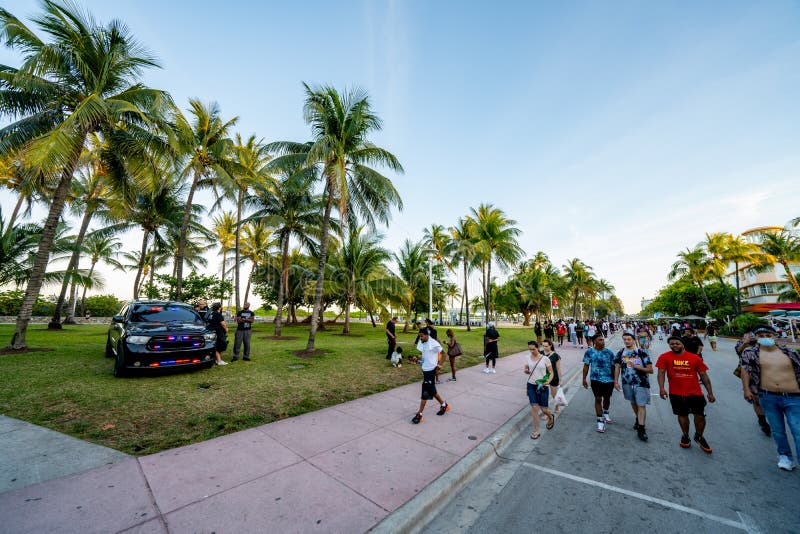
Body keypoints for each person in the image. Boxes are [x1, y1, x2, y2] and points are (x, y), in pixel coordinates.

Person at [740, 326, 800, 471]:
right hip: (768, 396)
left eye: (768, 334)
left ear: (774, 336)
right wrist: (747, 389)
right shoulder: (751, 352)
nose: (765, 337)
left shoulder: (789, 352)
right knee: (777, 430)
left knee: (797, 430)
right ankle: (785, 457)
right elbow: (745, 370)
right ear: (757, 337)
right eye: (761, 335)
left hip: (793, 397)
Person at [656, 336, 715, 452]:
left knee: (700, 416)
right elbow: (661, 373)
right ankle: (685, 436)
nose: (674, 346)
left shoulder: (695, 358)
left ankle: (699, 436)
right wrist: (661, 388)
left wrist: (710, 393)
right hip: (676, 393)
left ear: (682, 344)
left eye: (677, 343)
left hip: (695, 393)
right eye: (672, 344)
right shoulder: (664, 357)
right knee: (682, 415)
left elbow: (704, 375)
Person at [615, 333, 654, 441]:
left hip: (641, 383)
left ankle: (642, 429)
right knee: (633, 402)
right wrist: (616, 381)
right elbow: (617, 367)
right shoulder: (621, 352)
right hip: (627, 383)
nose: (627, 341)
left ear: (633, 340)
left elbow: (650, 370)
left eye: (629, 339)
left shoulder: (641, 352)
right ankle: (638, 418)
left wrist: (636, 366)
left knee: (641, 404)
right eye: (625, 339)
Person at [736, 332, 771, 436]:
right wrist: (745, 343)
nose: (749, 337)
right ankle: (762, 420)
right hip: (750, 375)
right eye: (746, 336)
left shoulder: (761, 343)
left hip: (768, 375)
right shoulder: (741, 343)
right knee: (756, 400)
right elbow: (739, 352)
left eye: (751, 335)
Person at [411, 329, 450, 424]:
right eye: (419, 336)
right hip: (425, 370)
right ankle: (444, 405)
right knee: (432, 390)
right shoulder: (423, 342)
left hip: (431, 371)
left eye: (422, 336)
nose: (420, 338)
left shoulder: (434, 343)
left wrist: (439, 366)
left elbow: (444, 354)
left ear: (427, 335)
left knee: (425, 392)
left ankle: (419, 414)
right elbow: (425, 356)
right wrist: (418, 360)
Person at [582, 335, 618, 433]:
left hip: (609, 379)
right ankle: (600, 422)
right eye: (600, 340)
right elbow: (586, 366)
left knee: (607, 398)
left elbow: (613, 367)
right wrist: (584, 379)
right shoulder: (589, 352)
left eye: (603, 339)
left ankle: (605, 412)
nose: (603, 341)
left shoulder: (609, 353)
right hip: (595, 379)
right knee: (598, 398)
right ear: (594, 341)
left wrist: (615, 380)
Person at [525, 341, 555, 439]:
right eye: (530, 349)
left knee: (544, 410)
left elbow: (551, 372)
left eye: (533, 349)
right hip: (531, 385)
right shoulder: (527, 357)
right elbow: (526, 368)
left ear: (538, 348)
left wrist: (548, 381)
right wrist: (526, 370)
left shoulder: (545, 359)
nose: (532, 351)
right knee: (534, 408)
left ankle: (550, 417)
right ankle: (537, 431)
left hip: (542, 385)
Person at [542, 340, 563, 413]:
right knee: (544, 396)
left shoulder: (555, 355)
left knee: (554, 395)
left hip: (554, 377)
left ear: (550, 345)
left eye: (546, 346)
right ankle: (546, 412)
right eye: (543, 346)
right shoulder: (540, 353)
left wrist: (560, 380)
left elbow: (558, 368)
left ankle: (556, 407)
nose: (544, 348)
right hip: (543, 377)